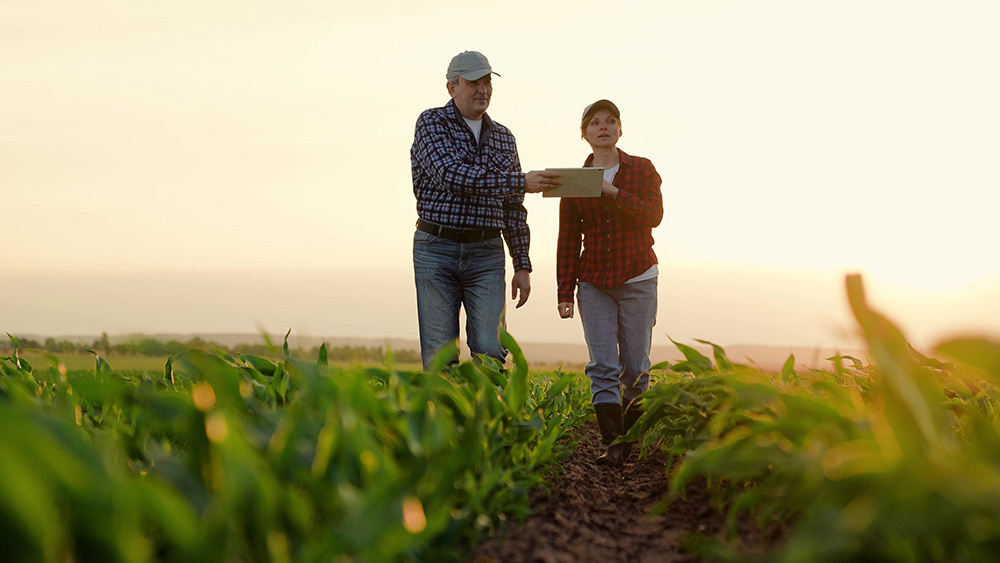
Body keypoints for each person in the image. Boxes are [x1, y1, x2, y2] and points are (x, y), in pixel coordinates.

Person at [411, 51, 560, 370]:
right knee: (440, 353)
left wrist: (522, 263)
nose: (483, 89)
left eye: (487, 81)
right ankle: (446, 419)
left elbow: (512, 206)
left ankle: (487, 419)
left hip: (487, 253)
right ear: (452, 87)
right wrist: (520, 180)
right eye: (473, 82)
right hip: (436, 250)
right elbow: (451, 176)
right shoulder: (431, 123)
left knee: (491, 349)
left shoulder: (504, 137)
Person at [556, 99, 663, 466]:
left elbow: (654, 215)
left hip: (638, 277)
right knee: (602, 365)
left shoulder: (643, 169)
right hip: (595, 282)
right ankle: (613, 446)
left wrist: (614, 193)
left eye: (610, 121)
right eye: (595, 122)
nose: (603, 127)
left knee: (635, 368)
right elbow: (568, 237)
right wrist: (564, 291)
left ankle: (631, 441)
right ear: (584, 134)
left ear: (620, 130)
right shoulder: (574, 180)